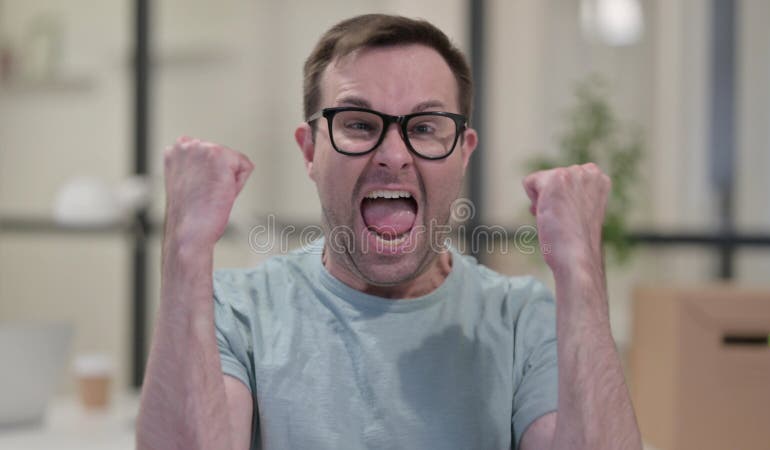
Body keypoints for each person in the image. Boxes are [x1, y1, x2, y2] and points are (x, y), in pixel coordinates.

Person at [136, 13, 641, 450]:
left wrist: (581, 273)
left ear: (463, 152)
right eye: (358, 124)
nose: (394, 155)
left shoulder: (522, 322)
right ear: (310, 151)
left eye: (424, 128)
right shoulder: (237, 312)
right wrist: (185, 251)